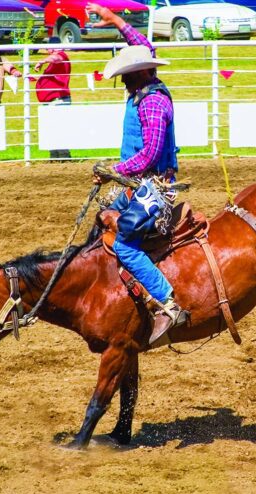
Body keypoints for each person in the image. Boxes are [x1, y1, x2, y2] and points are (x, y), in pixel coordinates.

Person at [86, 2, 183, 346]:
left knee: (124, 244)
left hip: (155, 186)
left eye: (127, 72)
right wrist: (114, 20)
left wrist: (114, 171)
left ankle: (169, 302)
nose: (123, 79)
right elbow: (144, 45)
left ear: (141, 73)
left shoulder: (153, 103)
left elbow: (150, 154)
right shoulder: (147, 86)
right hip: (141, 182)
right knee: (103, 222)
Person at [34, 36, 72, 161]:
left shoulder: (61, 55)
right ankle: (55, 157)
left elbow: (56, 58)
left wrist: (42, 61)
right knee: (52, 129)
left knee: (59, 129)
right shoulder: (55, 60)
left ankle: (64, 157)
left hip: (58, 100)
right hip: (53, 101)